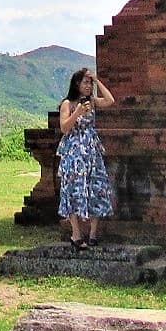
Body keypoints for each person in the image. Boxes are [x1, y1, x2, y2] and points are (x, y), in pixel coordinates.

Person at [56, 67, 116, 250]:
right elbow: (64, 127)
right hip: (74, 152)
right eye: (85, 82)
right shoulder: (68, 103)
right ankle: (76, 234)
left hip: (91, 151)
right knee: (74, 189)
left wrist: (97, 80)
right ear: (77, 84)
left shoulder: (93, 102)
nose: (88, 86)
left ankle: (93, 233)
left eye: (89, 83)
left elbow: (110, 100)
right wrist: (78, 112)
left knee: (95, 187)